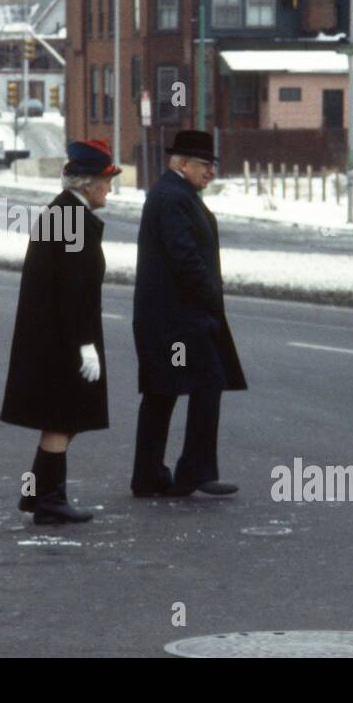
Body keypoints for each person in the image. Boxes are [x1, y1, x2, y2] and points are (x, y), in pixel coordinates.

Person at [0, 139, 119, 524]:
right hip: (62, 337)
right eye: (106, 181)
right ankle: (50, 501)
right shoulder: (71, 220)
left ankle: (35, 494)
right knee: (63, 417)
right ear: (88, 184)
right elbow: (73, 289)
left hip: (53, 334)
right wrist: (85, 344)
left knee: (65, 415)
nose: (110, 188)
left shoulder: (66, 213)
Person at [131, 130, 247, 498]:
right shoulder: (173, 198)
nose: (211, 171)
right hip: (178, 319)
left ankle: (149, 476)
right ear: (180, 163)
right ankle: (192, 471)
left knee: (163, 392)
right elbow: (184, 257)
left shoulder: (173, 193)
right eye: (204, 164)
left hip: (171, 317)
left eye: (213, 165)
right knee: (203, 382)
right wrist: (210, 295)